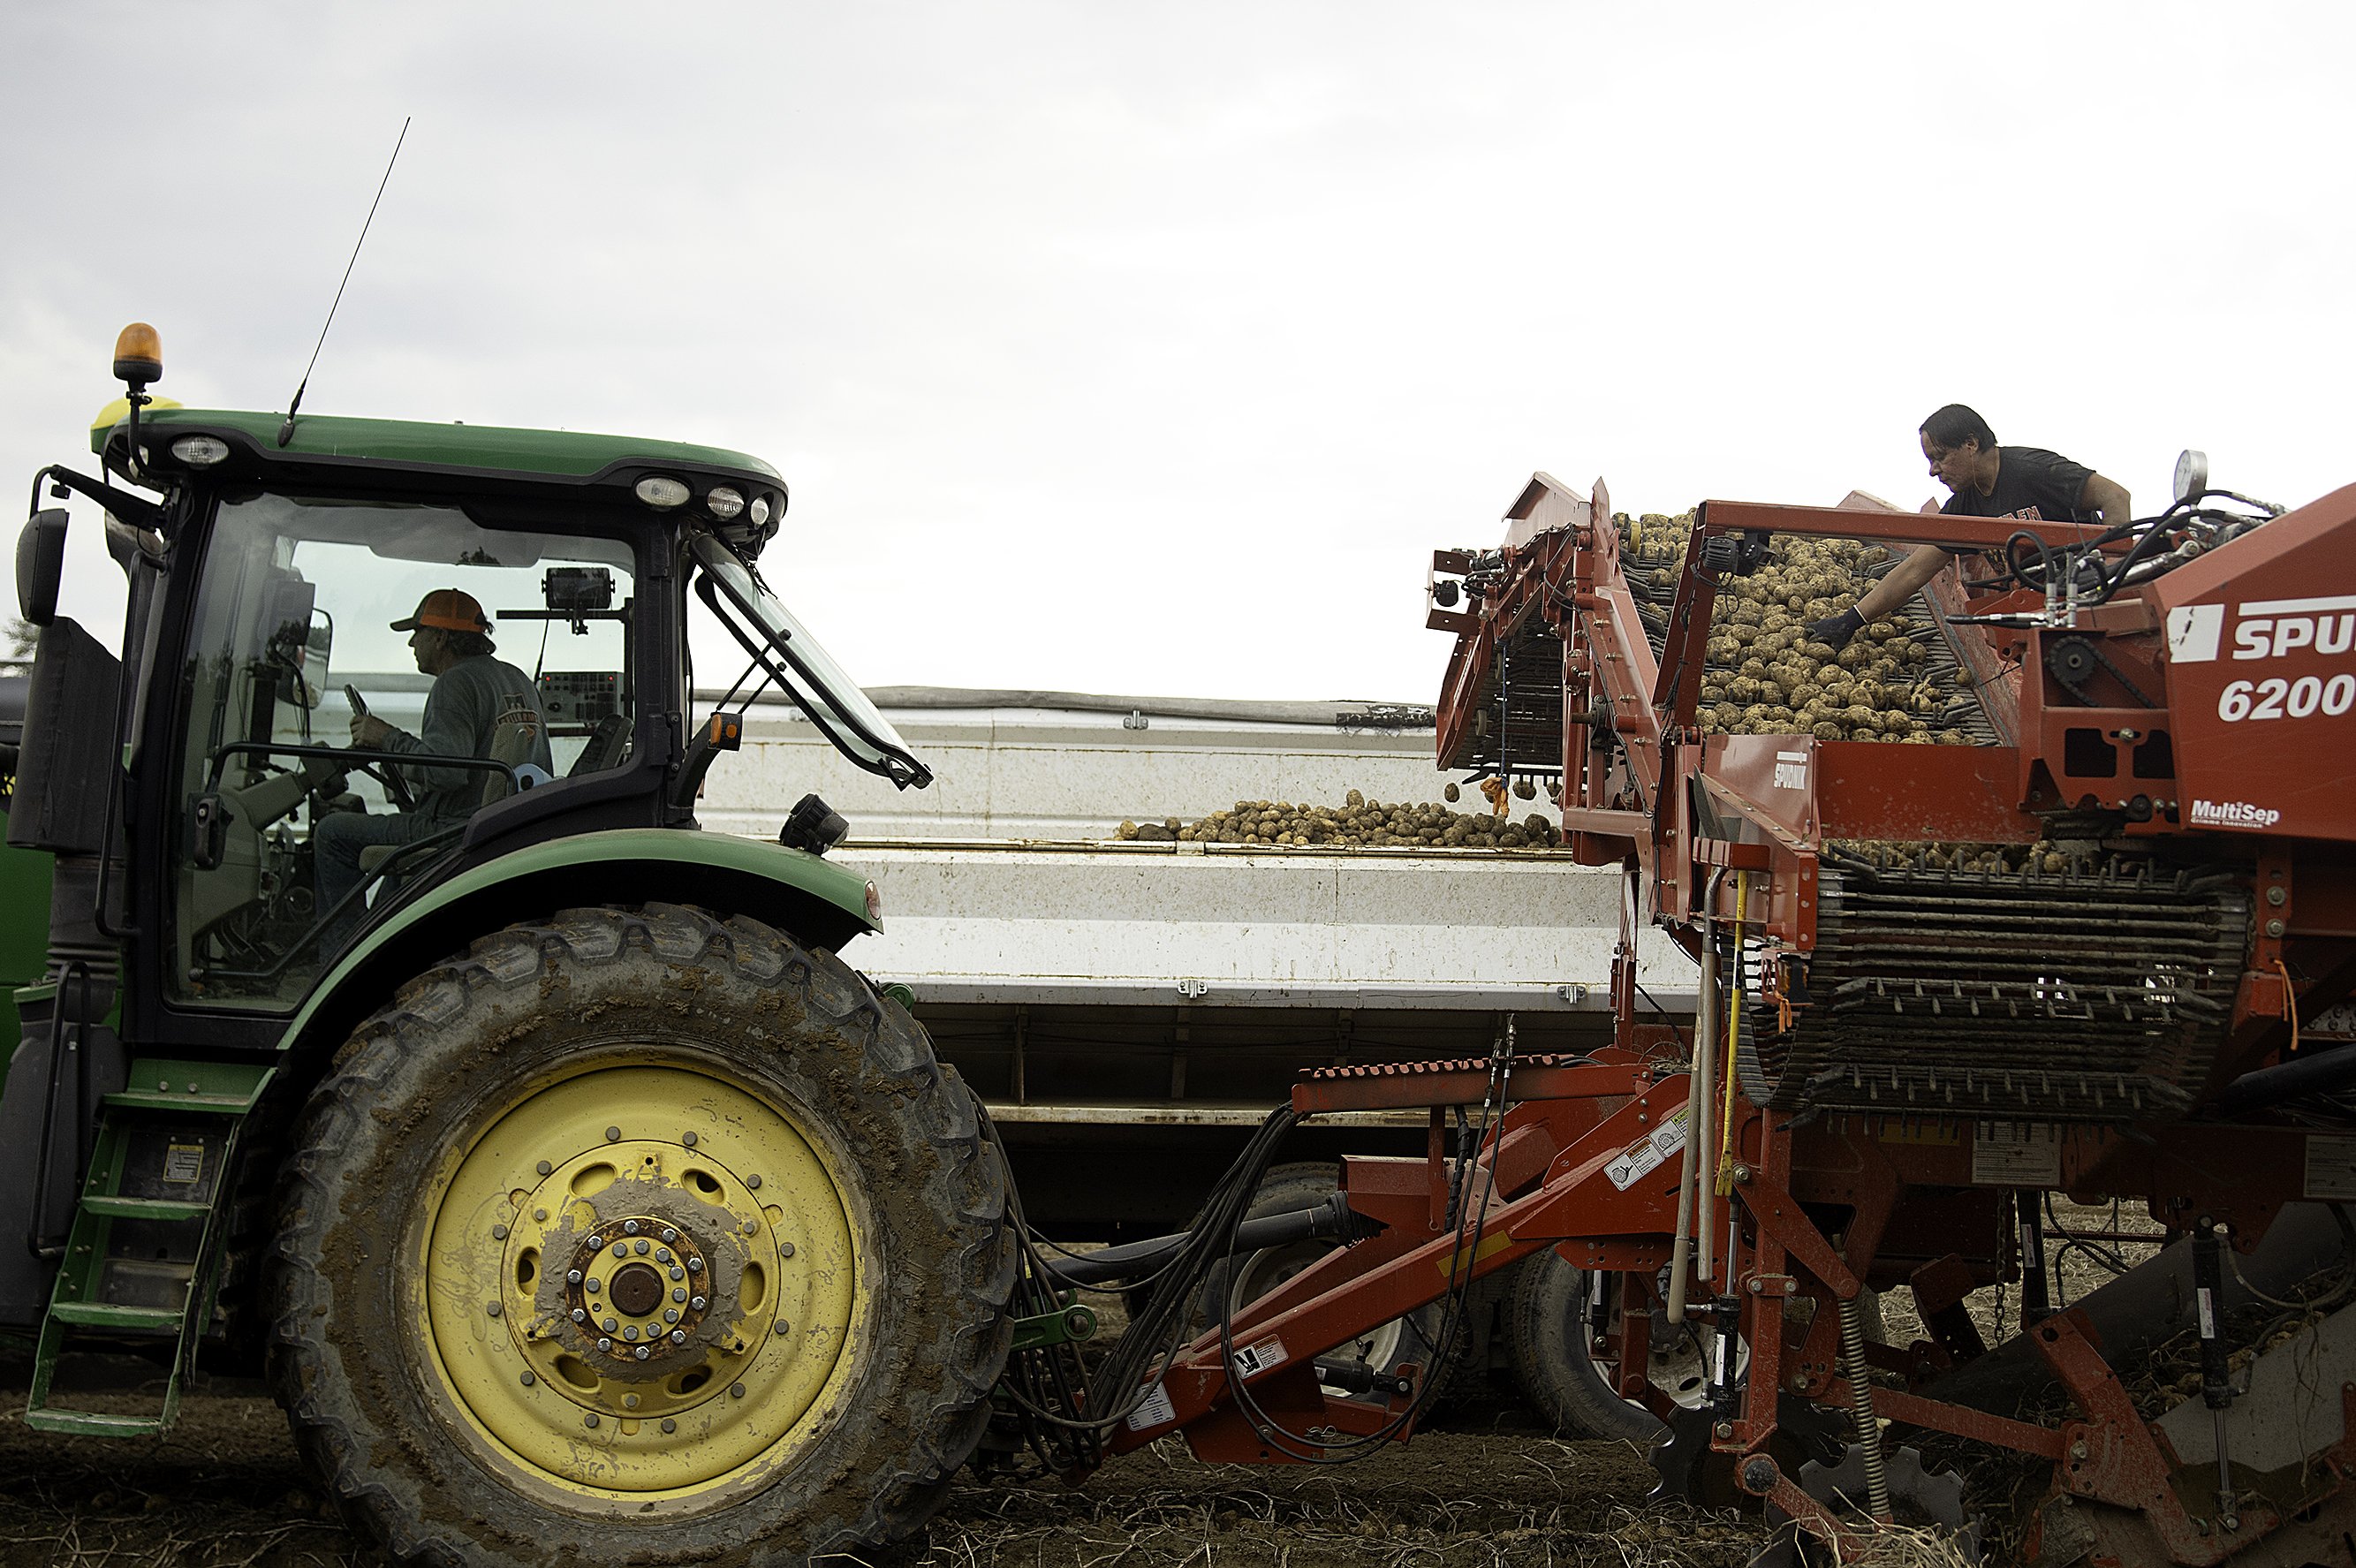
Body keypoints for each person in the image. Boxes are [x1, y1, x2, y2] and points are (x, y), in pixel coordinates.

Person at [313, 587, 552, 941]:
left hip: (453, 831)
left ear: (440, 637)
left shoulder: (454, 683)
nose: (412, 643)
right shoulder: (515, 677)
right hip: (502, 826)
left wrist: (386, 737)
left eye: (417, 632)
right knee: (393, 842)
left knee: (331, 833)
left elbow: (446, 773)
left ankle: (341, 955)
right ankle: (381, 937)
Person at [1808, 405, 2133, 651]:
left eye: (1940, 457)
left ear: (1971, 443)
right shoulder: (1966, 504)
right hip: (2037, 620)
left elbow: (2115, 495)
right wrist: (1852, 619)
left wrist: (2110, 576)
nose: (1934, 471)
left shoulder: (2034, 471)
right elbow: (1916, 568)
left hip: (2088, 616)